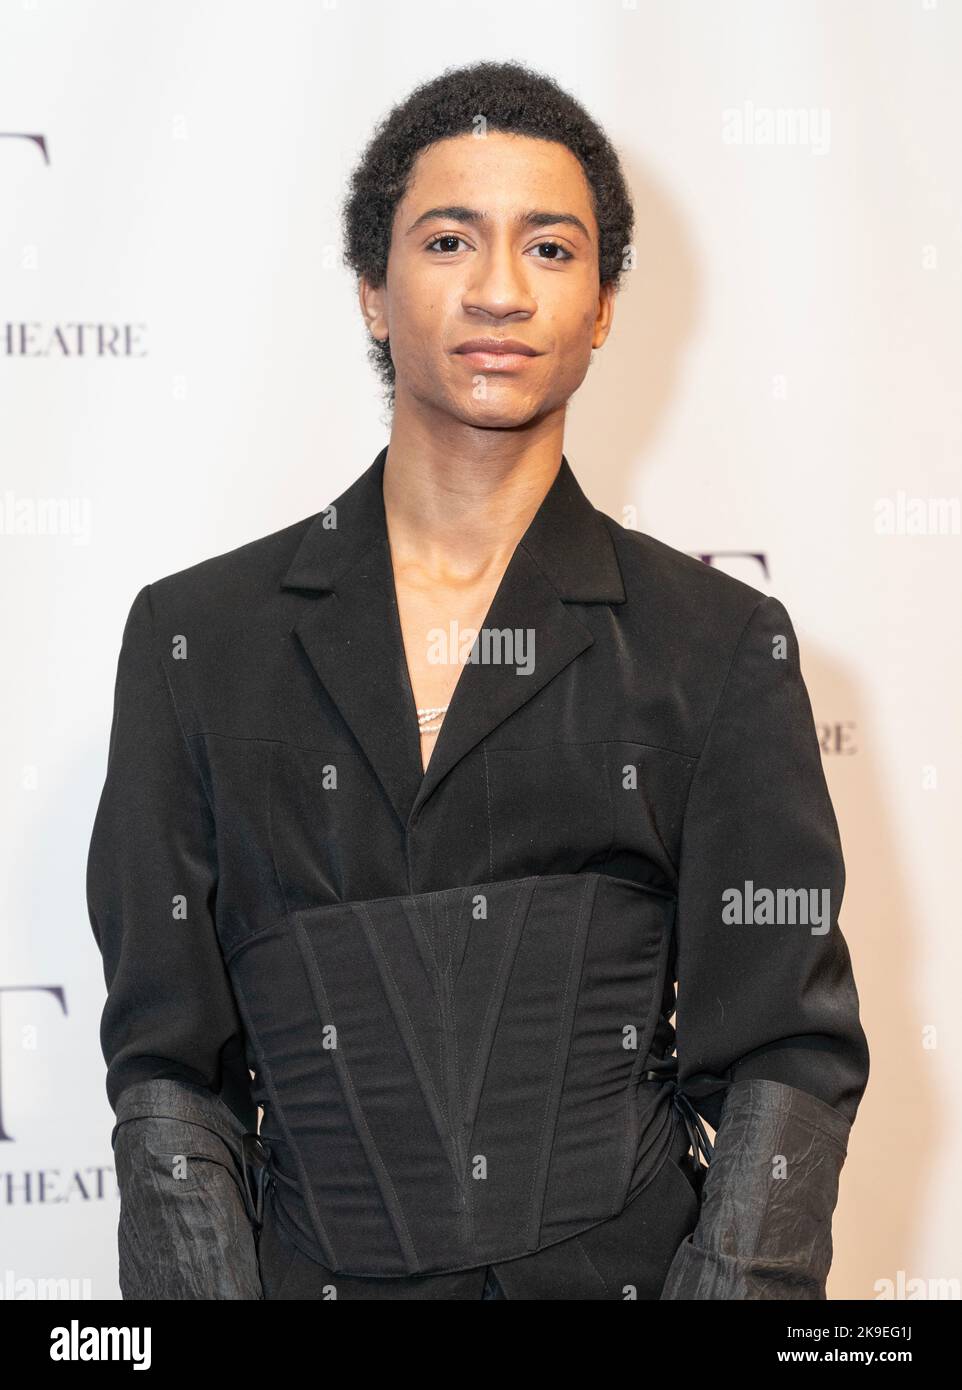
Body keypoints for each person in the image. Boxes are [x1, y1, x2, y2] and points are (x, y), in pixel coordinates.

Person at [87, 60, 870, 1301]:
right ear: (371, 291)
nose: (499, 290)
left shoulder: (714, 646)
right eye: (449, 239)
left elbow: (785, 1052)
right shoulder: (198, 640)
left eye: (550, 249)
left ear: (603, 305)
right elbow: (169, 1063)